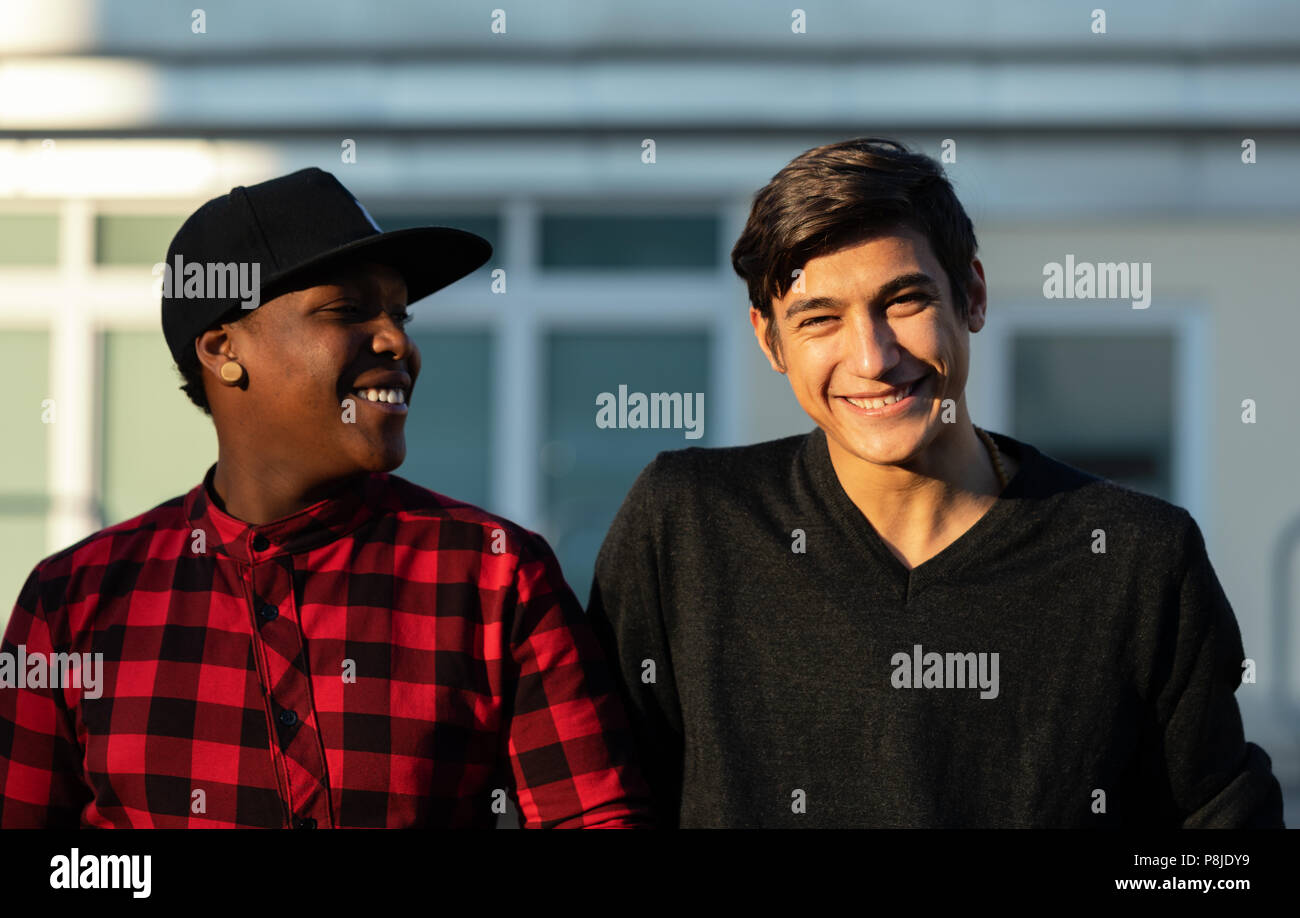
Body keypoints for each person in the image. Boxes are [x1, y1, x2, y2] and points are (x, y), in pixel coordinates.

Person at [586, 137, 1285, 828]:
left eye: (903, 301)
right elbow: (598, 806)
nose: (873, 358)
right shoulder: (684, 525)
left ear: (972, 296)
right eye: (820, 319)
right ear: (771, 341)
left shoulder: (1137, 557)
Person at [0, 167, 650, 828]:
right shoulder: (73, 603)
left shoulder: (496, 575)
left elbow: (596, 818)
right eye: (346, 310)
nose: (398, 342)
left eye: (399, 314)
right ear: (223, 348)